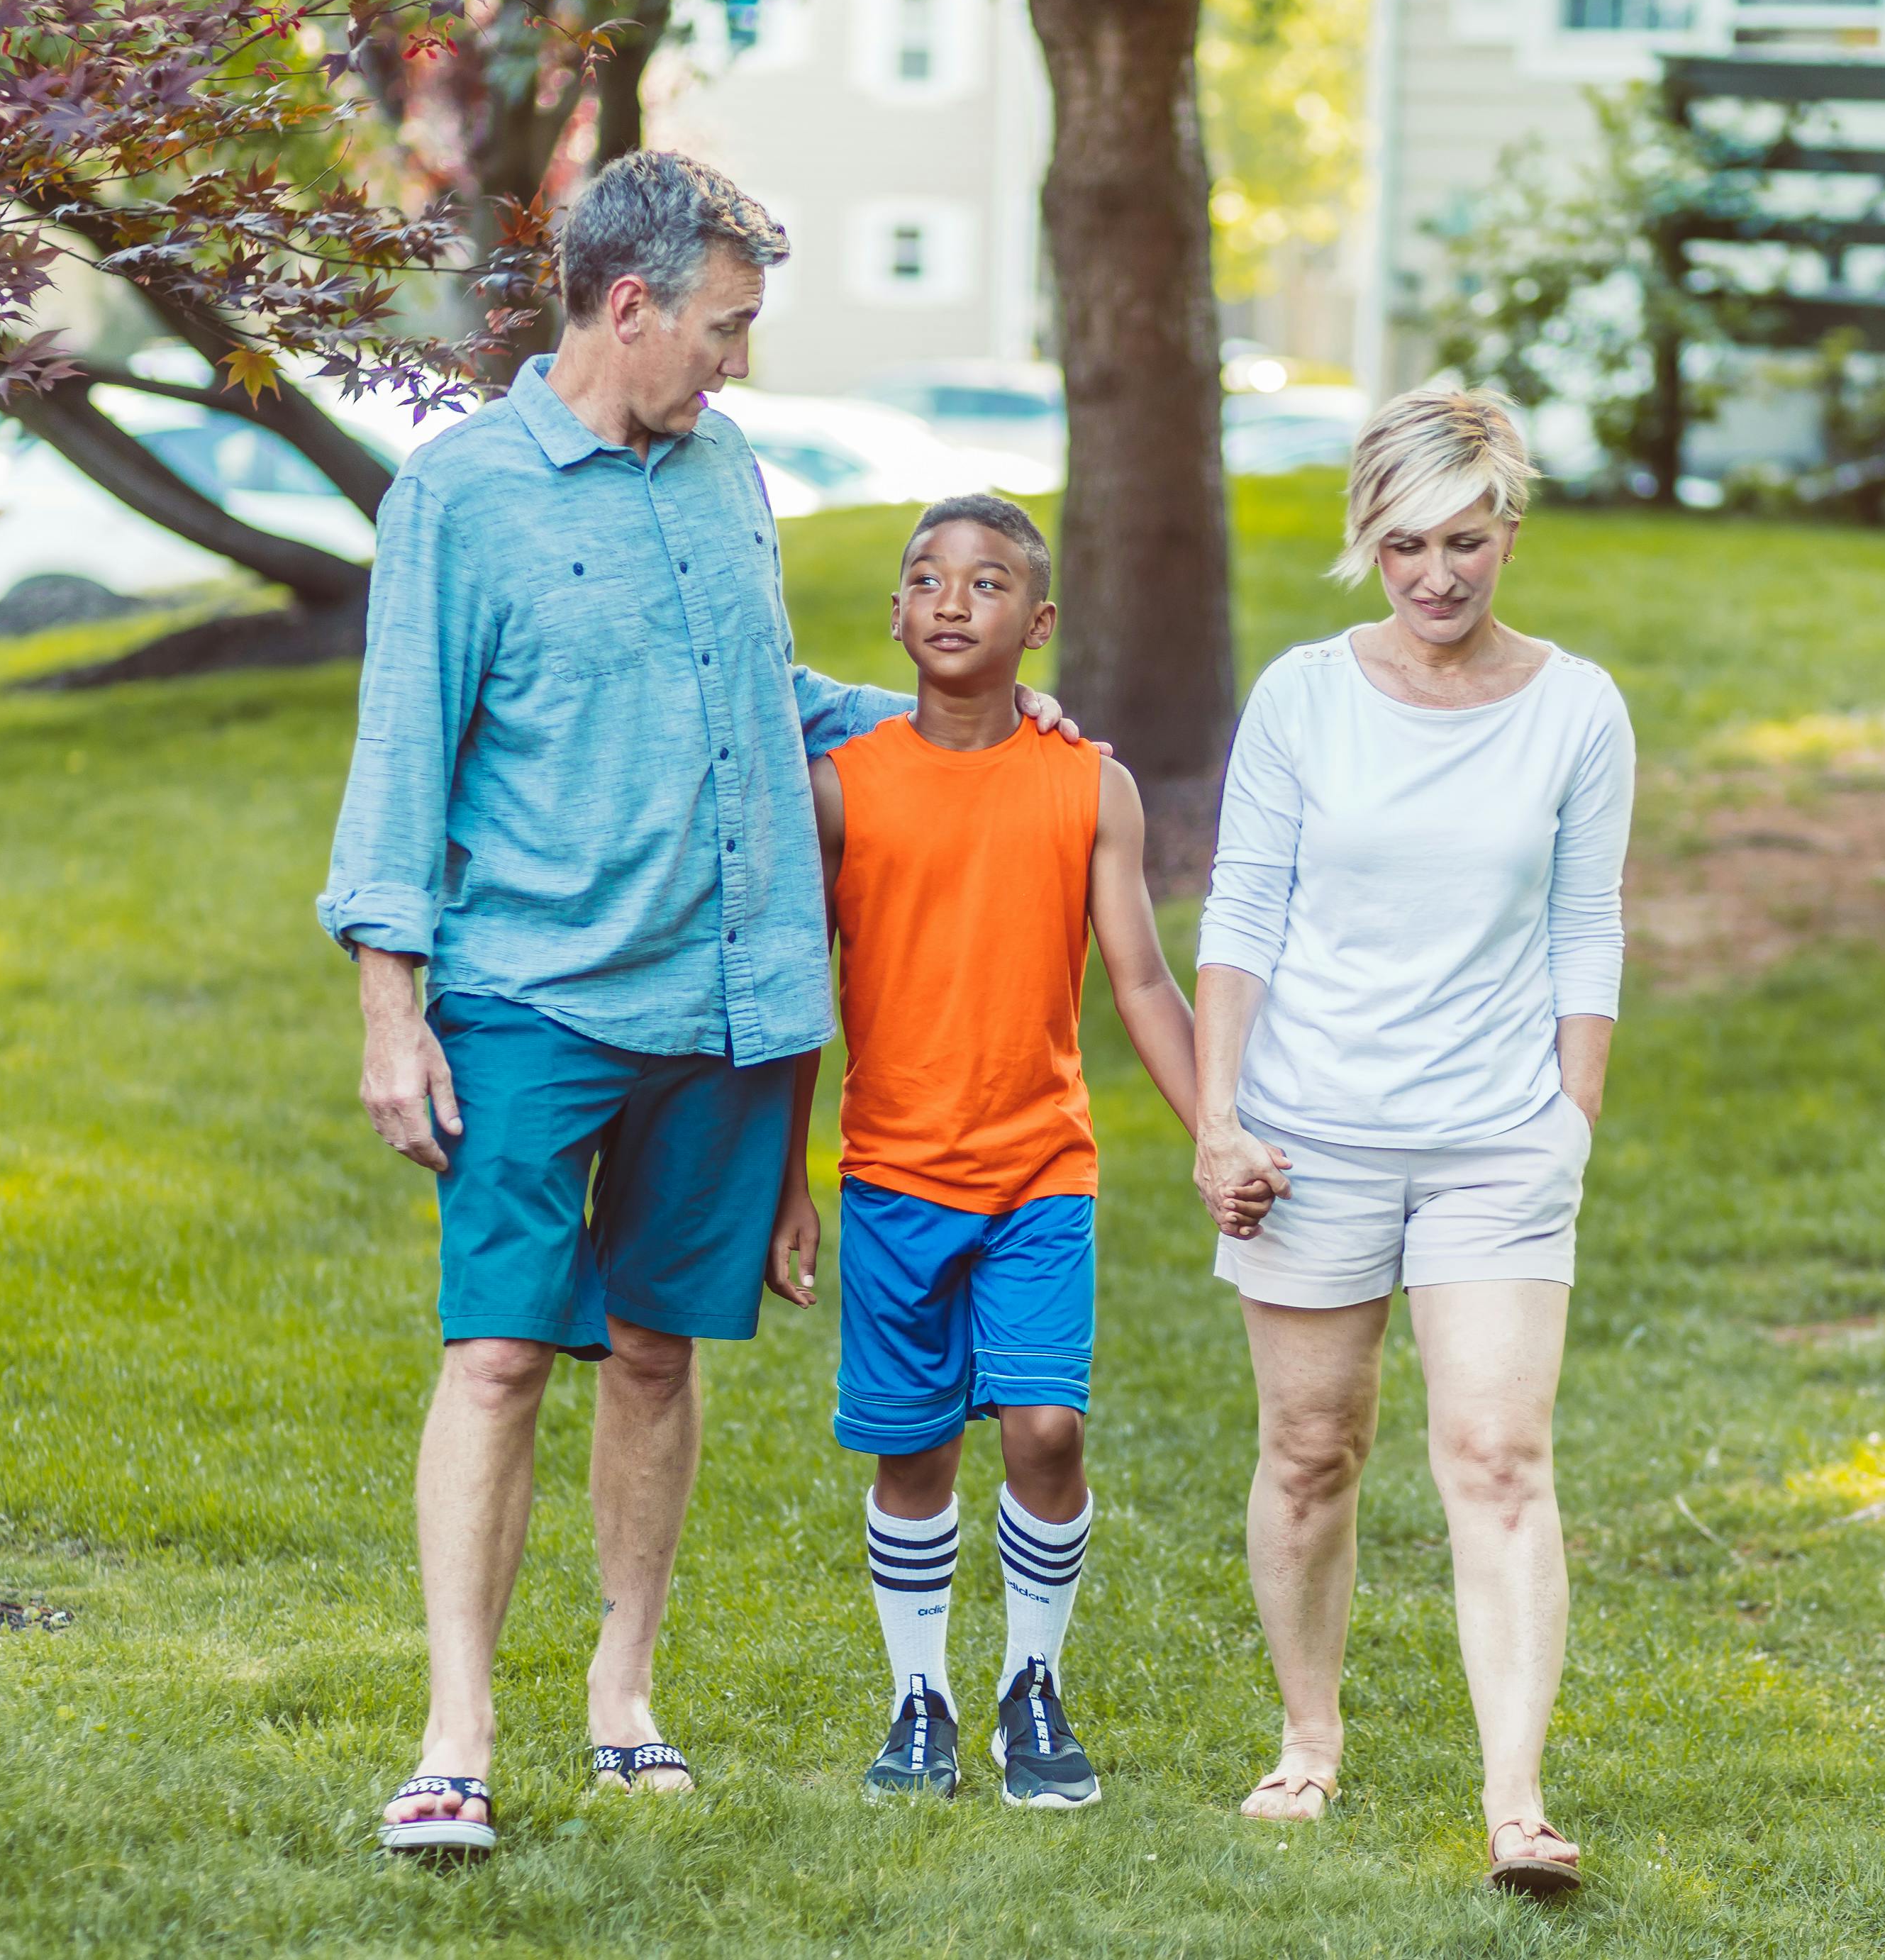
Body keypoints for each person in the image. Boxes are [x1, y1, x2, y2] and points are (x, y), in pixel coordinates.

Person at [320, 153, 1074, 1859]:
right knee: (502, 1352)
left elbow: (766, 690)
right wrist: (392, 1007)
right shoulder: (463, 497)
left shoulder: (721, 465)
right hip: (530, 997)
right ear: (631, 303)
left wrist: (964, 707)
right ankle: (456, 1733)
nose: (741, 360)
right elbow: (397, 762)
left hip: (727, 1004)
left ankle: (623, 1695)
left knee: (657, 1353)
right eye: (727, 325)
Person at [1186, 386, 1634, 1895]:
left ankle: (1519, 1804)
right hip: (1309, 1137)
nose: (1436, 577)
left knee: (1500, 1455)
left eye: (1465, 541)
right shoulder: (1308, 696)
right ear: (1365, 543)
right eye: (1404, 547)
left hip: (1498, 1143)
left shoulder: (1578, 707)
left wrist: (1567, 1122)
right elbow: (1241, 914)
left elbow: (1587, 929)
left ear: (1509, 529)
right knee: (1313, 1450)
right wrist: (1220, 1116)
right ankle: (1308, 1742)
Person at [772, 496, 1201, 1811]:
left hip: (1038, 1179)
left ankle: (1030, 1685)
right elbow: (795, 998)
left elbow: (1139, 978)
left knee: (1049, 1431)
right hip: (893, 1180)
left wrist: (1217, 1132)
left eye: (989, 582)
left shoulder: (1089, 784)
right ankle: (921, 1699)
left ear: (1040, 623)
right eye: (927, 579)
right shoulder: (840, 791)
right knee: (913, 1457)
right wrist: (786, 1182)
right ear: (897, 613)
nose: (953, 601)